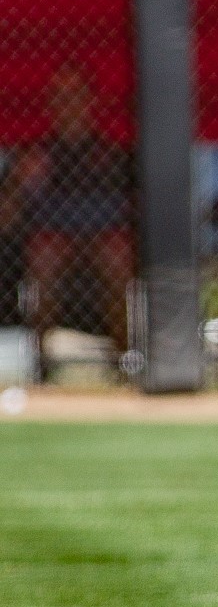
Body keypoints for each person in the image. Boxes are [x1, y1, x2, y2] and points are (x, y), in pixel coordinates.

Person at [13, 64, 134, 377]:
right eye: (59, 97)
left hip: (103, 234)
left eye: (75, 95)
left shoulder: (111, 152)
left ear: (90, 101)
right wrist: (20, 183)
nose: (67, 105)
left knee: (117, 253)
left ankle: (124, 360)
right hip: (54, 236)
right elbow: (10, 210)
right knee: (44, 254)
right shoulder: (35, 152)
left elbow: (131, 204)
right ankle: (41, 361)